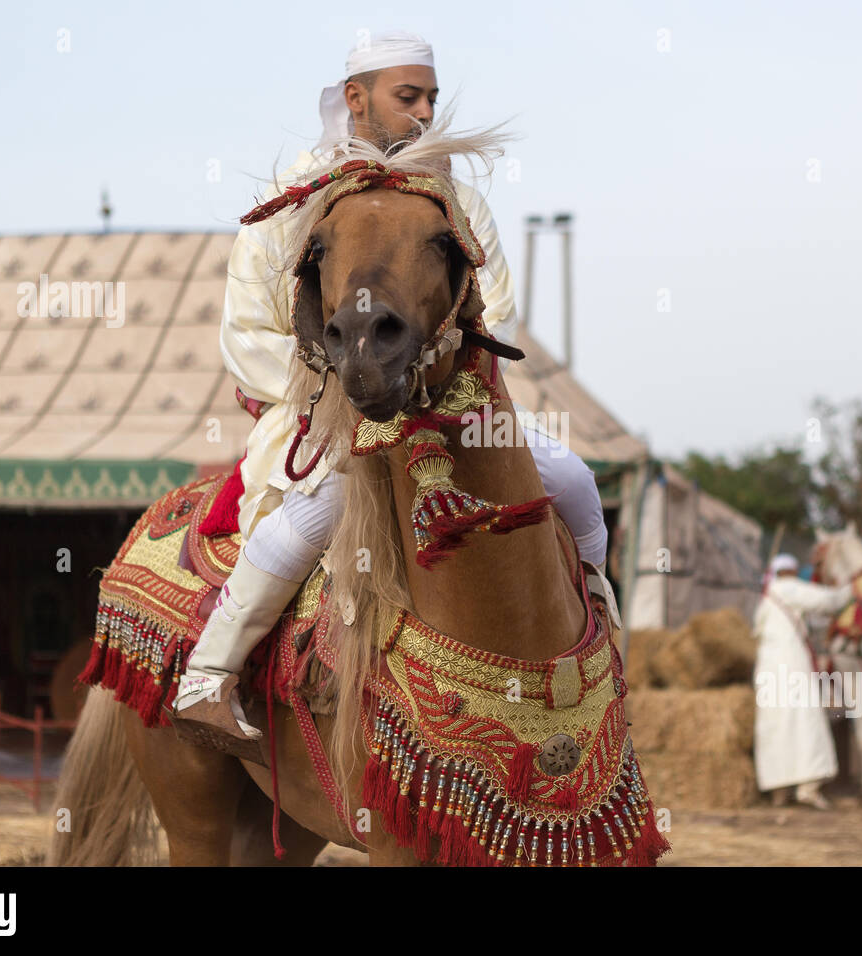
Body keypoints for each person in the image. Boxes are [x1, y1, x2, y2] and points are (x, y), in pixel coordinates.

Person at [172, 32, 610, 748]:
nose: (424, 113)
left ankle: (596, 616)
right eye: (408, 97)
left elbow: (494, 309)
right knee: (311, 516)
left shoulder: (455, 201)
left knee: (573, 477)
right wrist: (346, 382)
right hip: (331, 415)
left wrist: (434, 369)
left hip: (458, 408)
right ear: (356, 98)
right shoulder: (293, 201)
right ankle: (208, 677)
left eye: (431, 98)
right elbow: (247, 330)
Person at [752, 553, 853, 810]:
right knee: (806, 724)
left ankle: (779, 788)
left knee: (775, 727)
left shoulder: (766, 600)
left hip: (768, 671)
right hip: (792, 669)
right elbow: (831, 602)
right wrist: (855, 584)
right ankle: (807, 789)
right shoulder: (790, 588)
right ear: (792, 571)